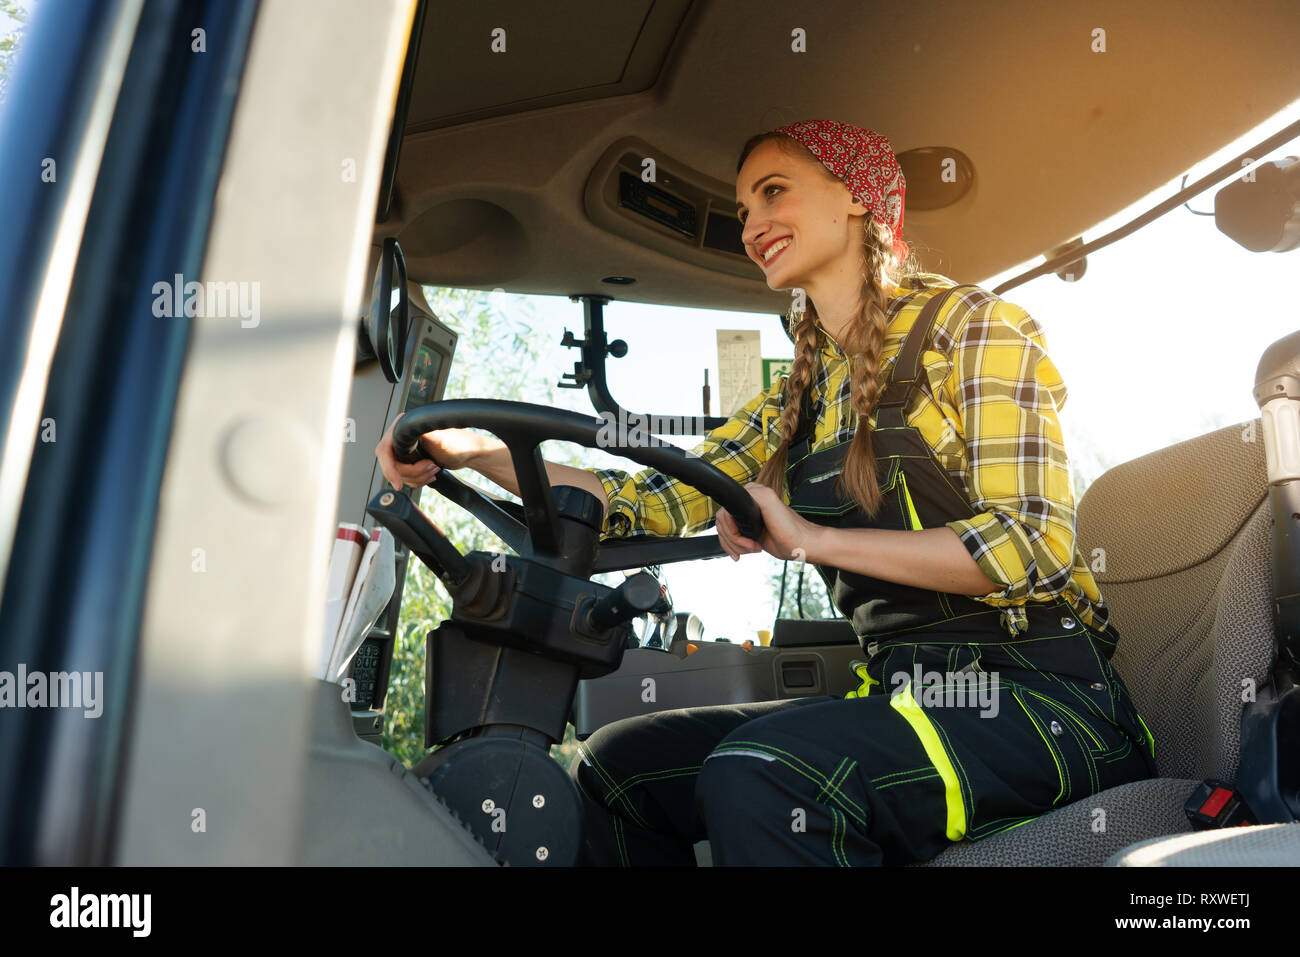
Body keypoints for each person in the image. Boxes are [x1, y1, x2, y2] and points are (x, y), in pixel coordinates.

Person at [375, 120, 1158, 867]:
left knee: (763, 771)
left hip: (1046, 703)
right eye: (746, 209)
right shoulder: (799, 399)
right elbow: (641, 498)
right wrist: (473, 450)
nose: (752, 225)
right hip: (905, 694)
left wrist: (813, 538)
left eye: (774, 192)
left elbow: (1031, 546)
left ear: (856, 195)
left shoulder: (973, 329)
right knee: (624, 767)